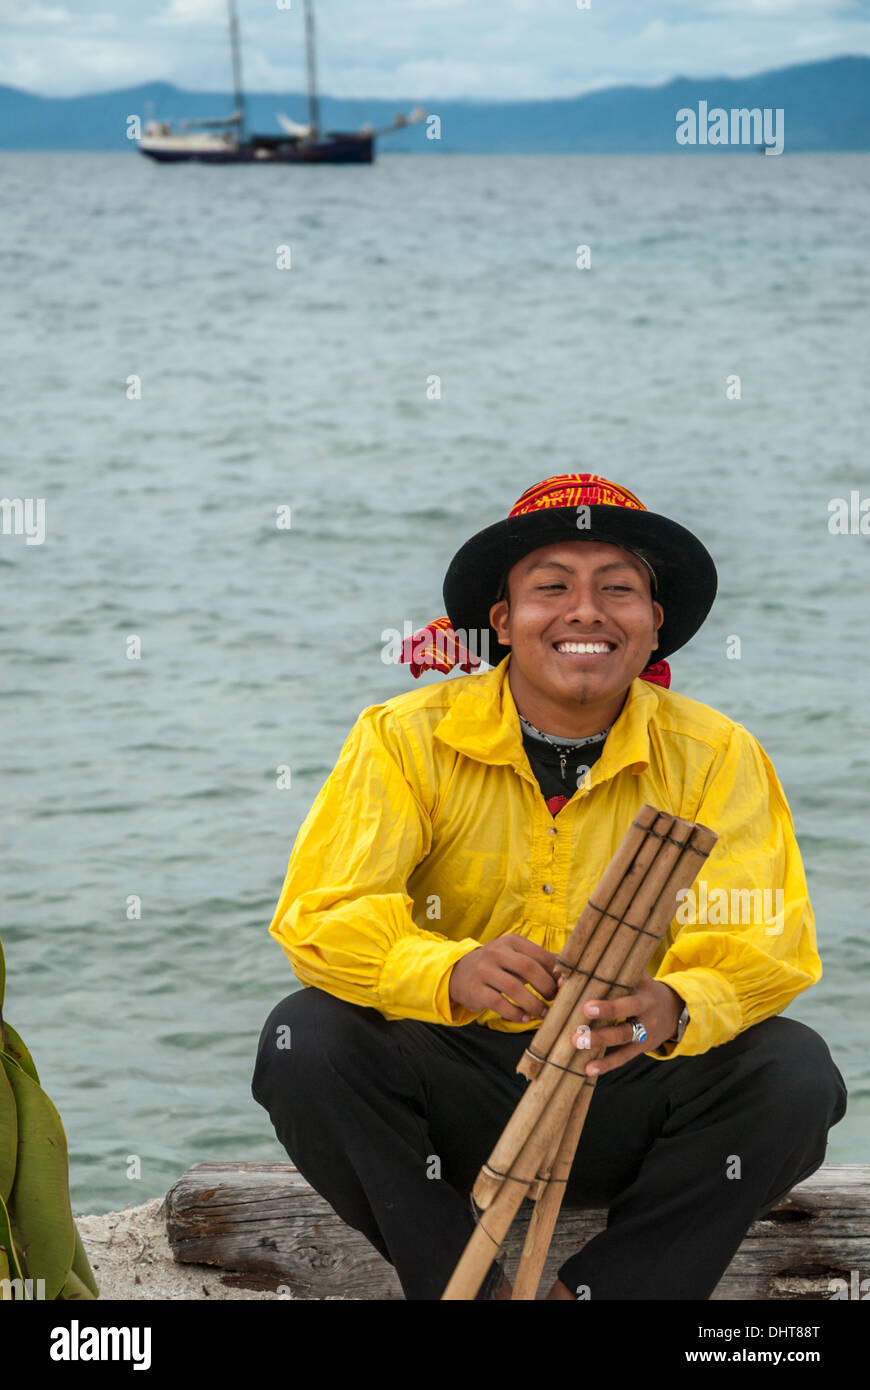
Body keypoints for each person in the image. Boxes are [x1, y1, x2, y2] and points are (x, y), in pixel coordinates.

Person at [251, 473, 847, 1301]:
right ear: (502, 621)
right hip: (458, 1096)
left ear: (653, 624)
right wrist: (447, 972)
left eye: (618, 588)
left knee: (796, 1073)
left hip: (625, 1086)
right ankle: (475, 1293)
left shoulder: (717, 754)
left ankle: (599, 1294)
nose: (586, 611)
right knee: (304, 1041)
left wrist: (670, 1004)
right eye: (551, 587)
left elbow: (764, 940)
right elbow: (320, 914)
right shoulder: (403, 739)